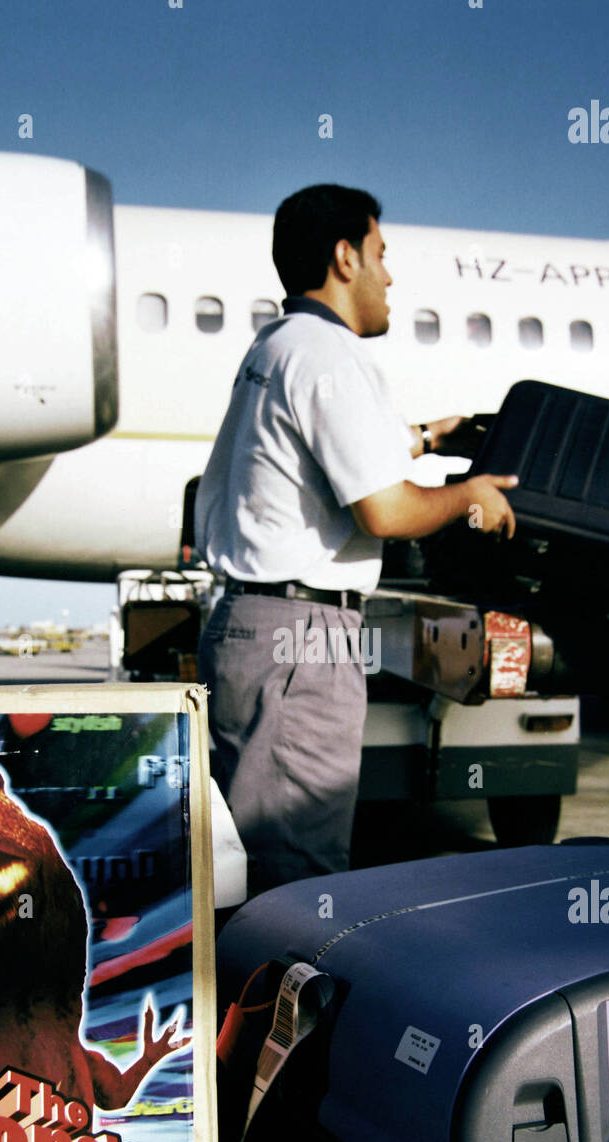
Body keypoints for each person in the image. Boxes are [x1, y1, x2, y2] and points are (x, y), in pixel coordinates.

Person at [195, 184, 517, 895]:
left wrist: (433, 436)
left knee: (260, 868)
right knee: (297, 877)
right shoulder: (329, 354)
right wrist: (470, 495)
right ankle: (285, 1005)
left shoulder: (279, 345)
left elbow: (337, 452)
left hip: (262, 625)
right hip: (298, 639)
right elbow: (385, 511)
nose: (389, 275)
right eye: (381, 253)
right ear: (345, 256)